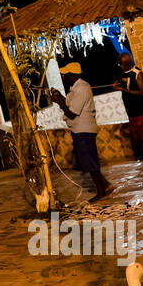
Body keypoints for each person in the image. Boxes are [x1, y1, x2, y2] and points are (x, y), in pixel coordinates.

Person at [50, 61, 112, 199]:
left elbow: (72, 112)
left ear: (72, 75)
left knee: (90, 161)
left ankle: (101, 191)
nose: (63, 77)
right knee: (88, 161)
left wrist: (60, 100)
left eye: (65, 74)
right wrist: (61, 98)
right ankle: (105, 185)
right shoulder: (76, 89)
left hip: (83, 129)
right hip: (80, 129)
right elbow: (70, 106)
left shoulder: (82, 88)